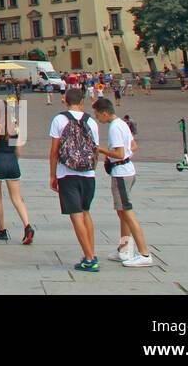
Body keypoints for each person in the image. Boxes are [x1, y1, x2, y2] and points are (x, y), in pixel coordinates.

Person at [92, 97, 153, 267]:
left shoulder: (114, 128)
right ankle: (124, 248)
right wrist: (124, 154)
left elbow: (119, 153)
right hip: (128, 171)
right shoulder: (122, 124)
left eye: (97, 114)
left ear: (105, 113)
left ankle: (144, 253)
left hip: (121, 173)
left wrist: (99, 149)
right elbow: (133, 146)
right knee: (122, 212)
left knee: (127, 212)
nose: (96, 118)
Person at [49, 86, 99, 272]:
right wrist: (92, 169)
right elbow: (95, 150)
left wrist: (53, 175)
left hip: (67, 173)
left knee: (76, 215)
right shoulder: (91, 121)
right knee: (86, 212)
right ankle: (90, 254)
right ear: (82, 102)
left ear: (65, 100)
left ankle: (90, 258)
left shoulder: (59, 120)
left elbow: (54, 151)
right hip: (88, 174)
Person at [0, 99, 33, 244]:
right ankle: (27, 226)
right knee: (17, 198)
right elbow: (18, 149)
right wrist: (15, 161)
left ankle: (2, 230)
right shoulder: (15, 126)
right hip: (12, 162)